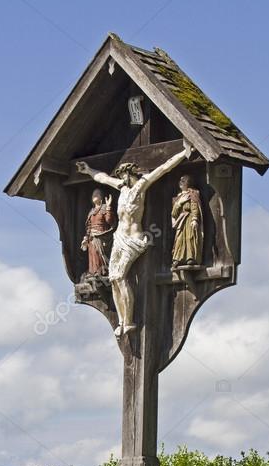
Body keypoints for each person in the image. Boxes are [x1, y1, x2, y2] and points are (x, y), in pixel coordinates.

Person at [76, 140, 193, 335]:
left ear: (131, 174)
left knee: (121, 275)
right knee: (113, 278)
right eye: (120, 176)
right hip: (119, 237)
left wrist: (183, 153)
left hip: (134, 239)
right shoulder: (121, 189)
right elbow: (103, 178)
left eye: (124, 175)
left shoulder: (141, 186)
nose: (122, 179)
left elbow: (163, 168)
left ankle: (128, 320)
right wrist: (88, 170)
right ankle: (121, 322)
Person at [80, 189, 115, 277]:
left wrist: (108, 207)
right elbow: (88, 227)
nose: (95, 195)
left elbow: (110, 221)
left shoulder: (104, 208)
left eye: (97, 194)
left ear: (101, 197)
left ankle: (102, 272)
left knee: (100, 254)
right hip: (92, 237)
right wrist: (86, 238)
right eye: (93, 194)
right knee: (92, 254)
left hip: (102, 235)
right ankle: (94, 272)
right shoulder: (91, 212)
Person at [171, 174, 202, 267]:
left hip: (189, 219)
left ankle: (190, 257)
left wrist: (195, 219)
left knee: (190, 238)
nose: (181, 182)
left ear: (189, 183)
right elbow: (173, 214)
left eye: (183, 181)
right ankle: (177, 259)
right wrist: (179, 203)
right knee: (179, 239)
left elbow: (195, 207)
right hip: (181, 220)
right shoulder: (177, 197)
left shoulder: (192, 194)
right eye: (180, 181)